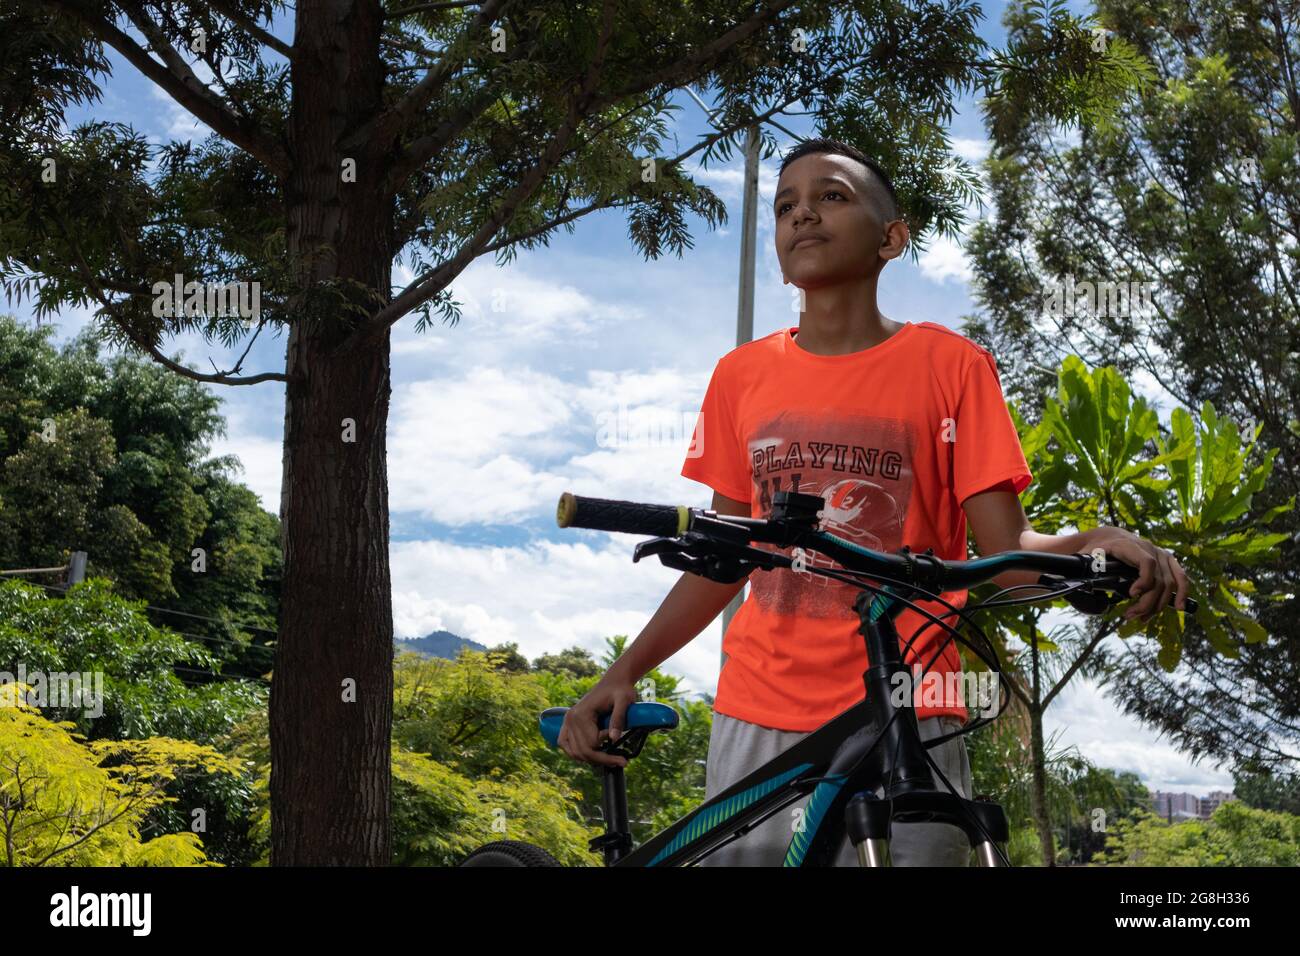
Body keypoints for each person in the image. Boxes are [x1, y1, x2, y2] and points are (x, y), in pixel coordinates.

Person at [557, 138, 1190, 866]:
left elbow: (1010, 558)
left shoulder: (952, 366)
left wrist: (1100, 542)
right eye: (785, 205)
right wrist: (624, 669)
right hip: (758, 711)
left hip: (911, 716)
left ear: (893, 237)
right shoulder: (740, 375)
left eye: (831, 196)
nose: (803, 215)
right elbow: (724, 556)